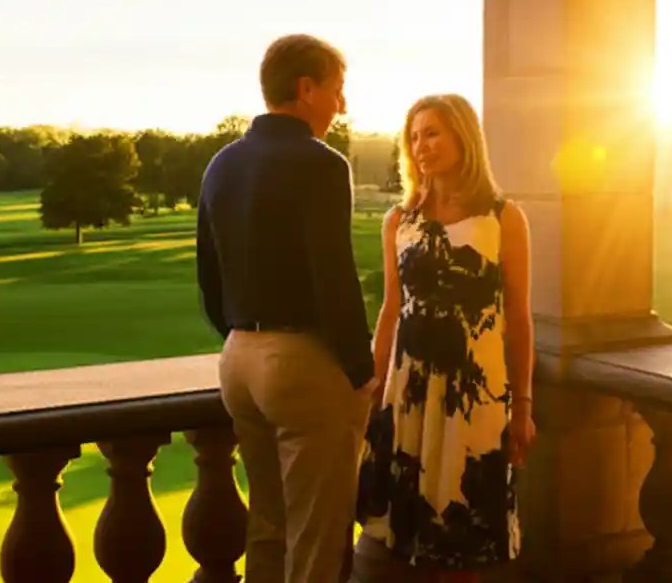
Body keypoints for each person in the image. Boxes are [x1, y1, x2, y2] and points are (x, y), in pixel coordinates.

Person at [196, 33, 379, 583]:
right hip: (300, 364)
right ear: (306, 89)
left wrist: (241, 338)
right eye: (336, 90)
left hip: (238, 362)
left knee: (268, 528)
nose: (341, 105)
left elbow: (208, 277)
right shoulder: (320, 164)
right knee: (316, 541)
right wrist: (360, 370)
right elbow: (334, 276)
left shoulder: (221, 163)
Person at [356, 93, 536, 583]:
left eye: (432, 133)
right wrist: (374, 389)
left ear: (464, 136)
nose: (421, 146)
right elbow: (391, 311)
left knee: (464, 541)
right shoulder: (400, 221)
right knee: (402, 539)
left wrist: (522, 405)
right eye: (413, 137)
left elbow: (518, 318)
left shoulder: (503, 219)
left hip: (475, 394)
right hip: (409, 391)